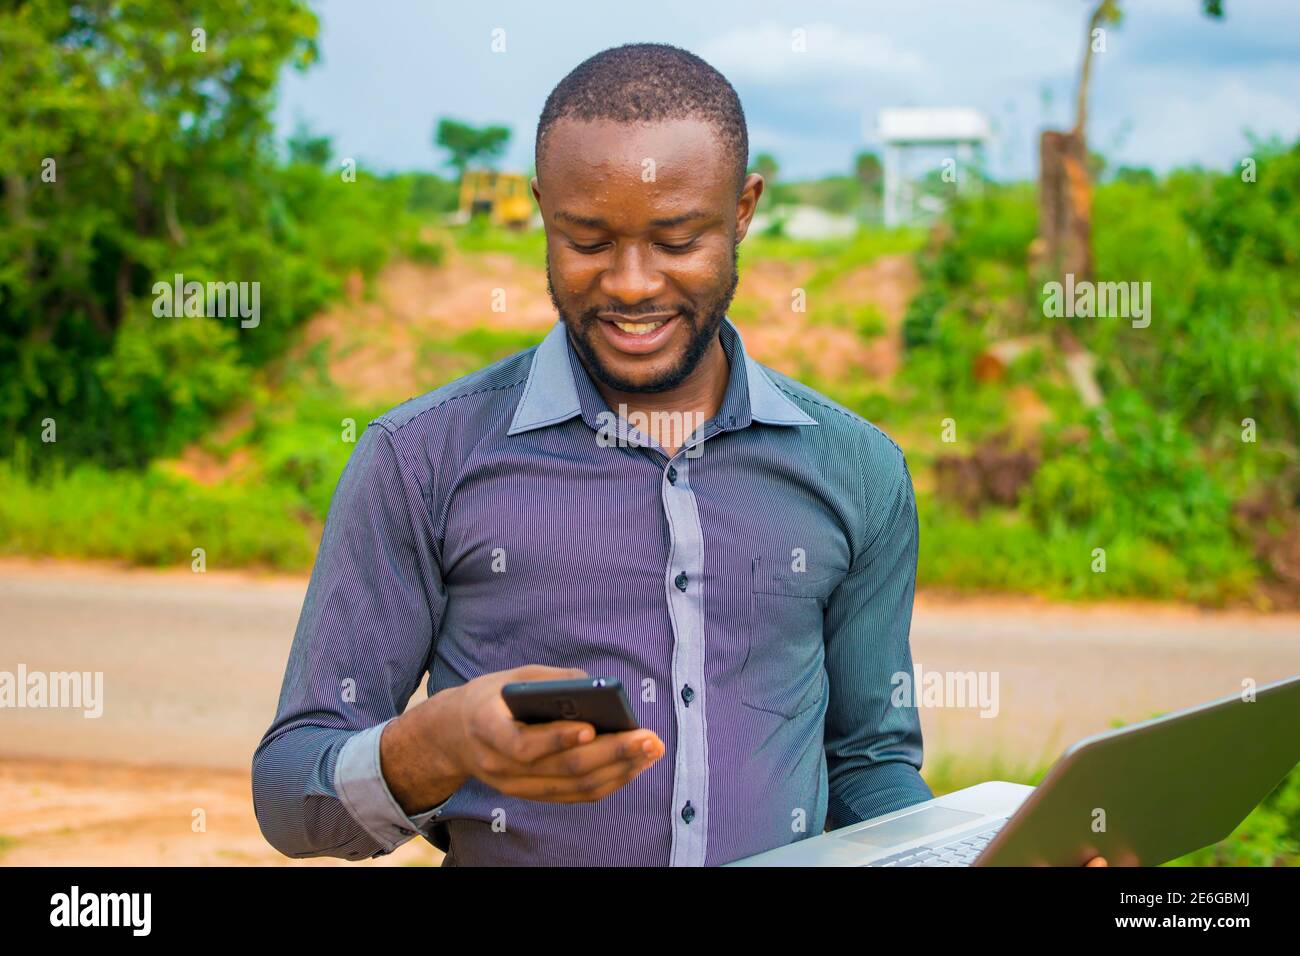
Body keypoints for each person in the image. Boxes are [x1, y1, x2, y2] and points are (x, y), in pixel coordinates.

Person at [252, 41, 1103, 867]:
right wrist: (434, 744)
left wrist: (976, 858)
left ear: (742, 211)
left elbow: (868, 765)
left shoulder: (858, 469)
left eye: (675, 240)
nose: (630, 283)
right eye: (587, 241)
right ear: (544, 210)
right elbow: (291, 796)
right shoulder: (421, 461)